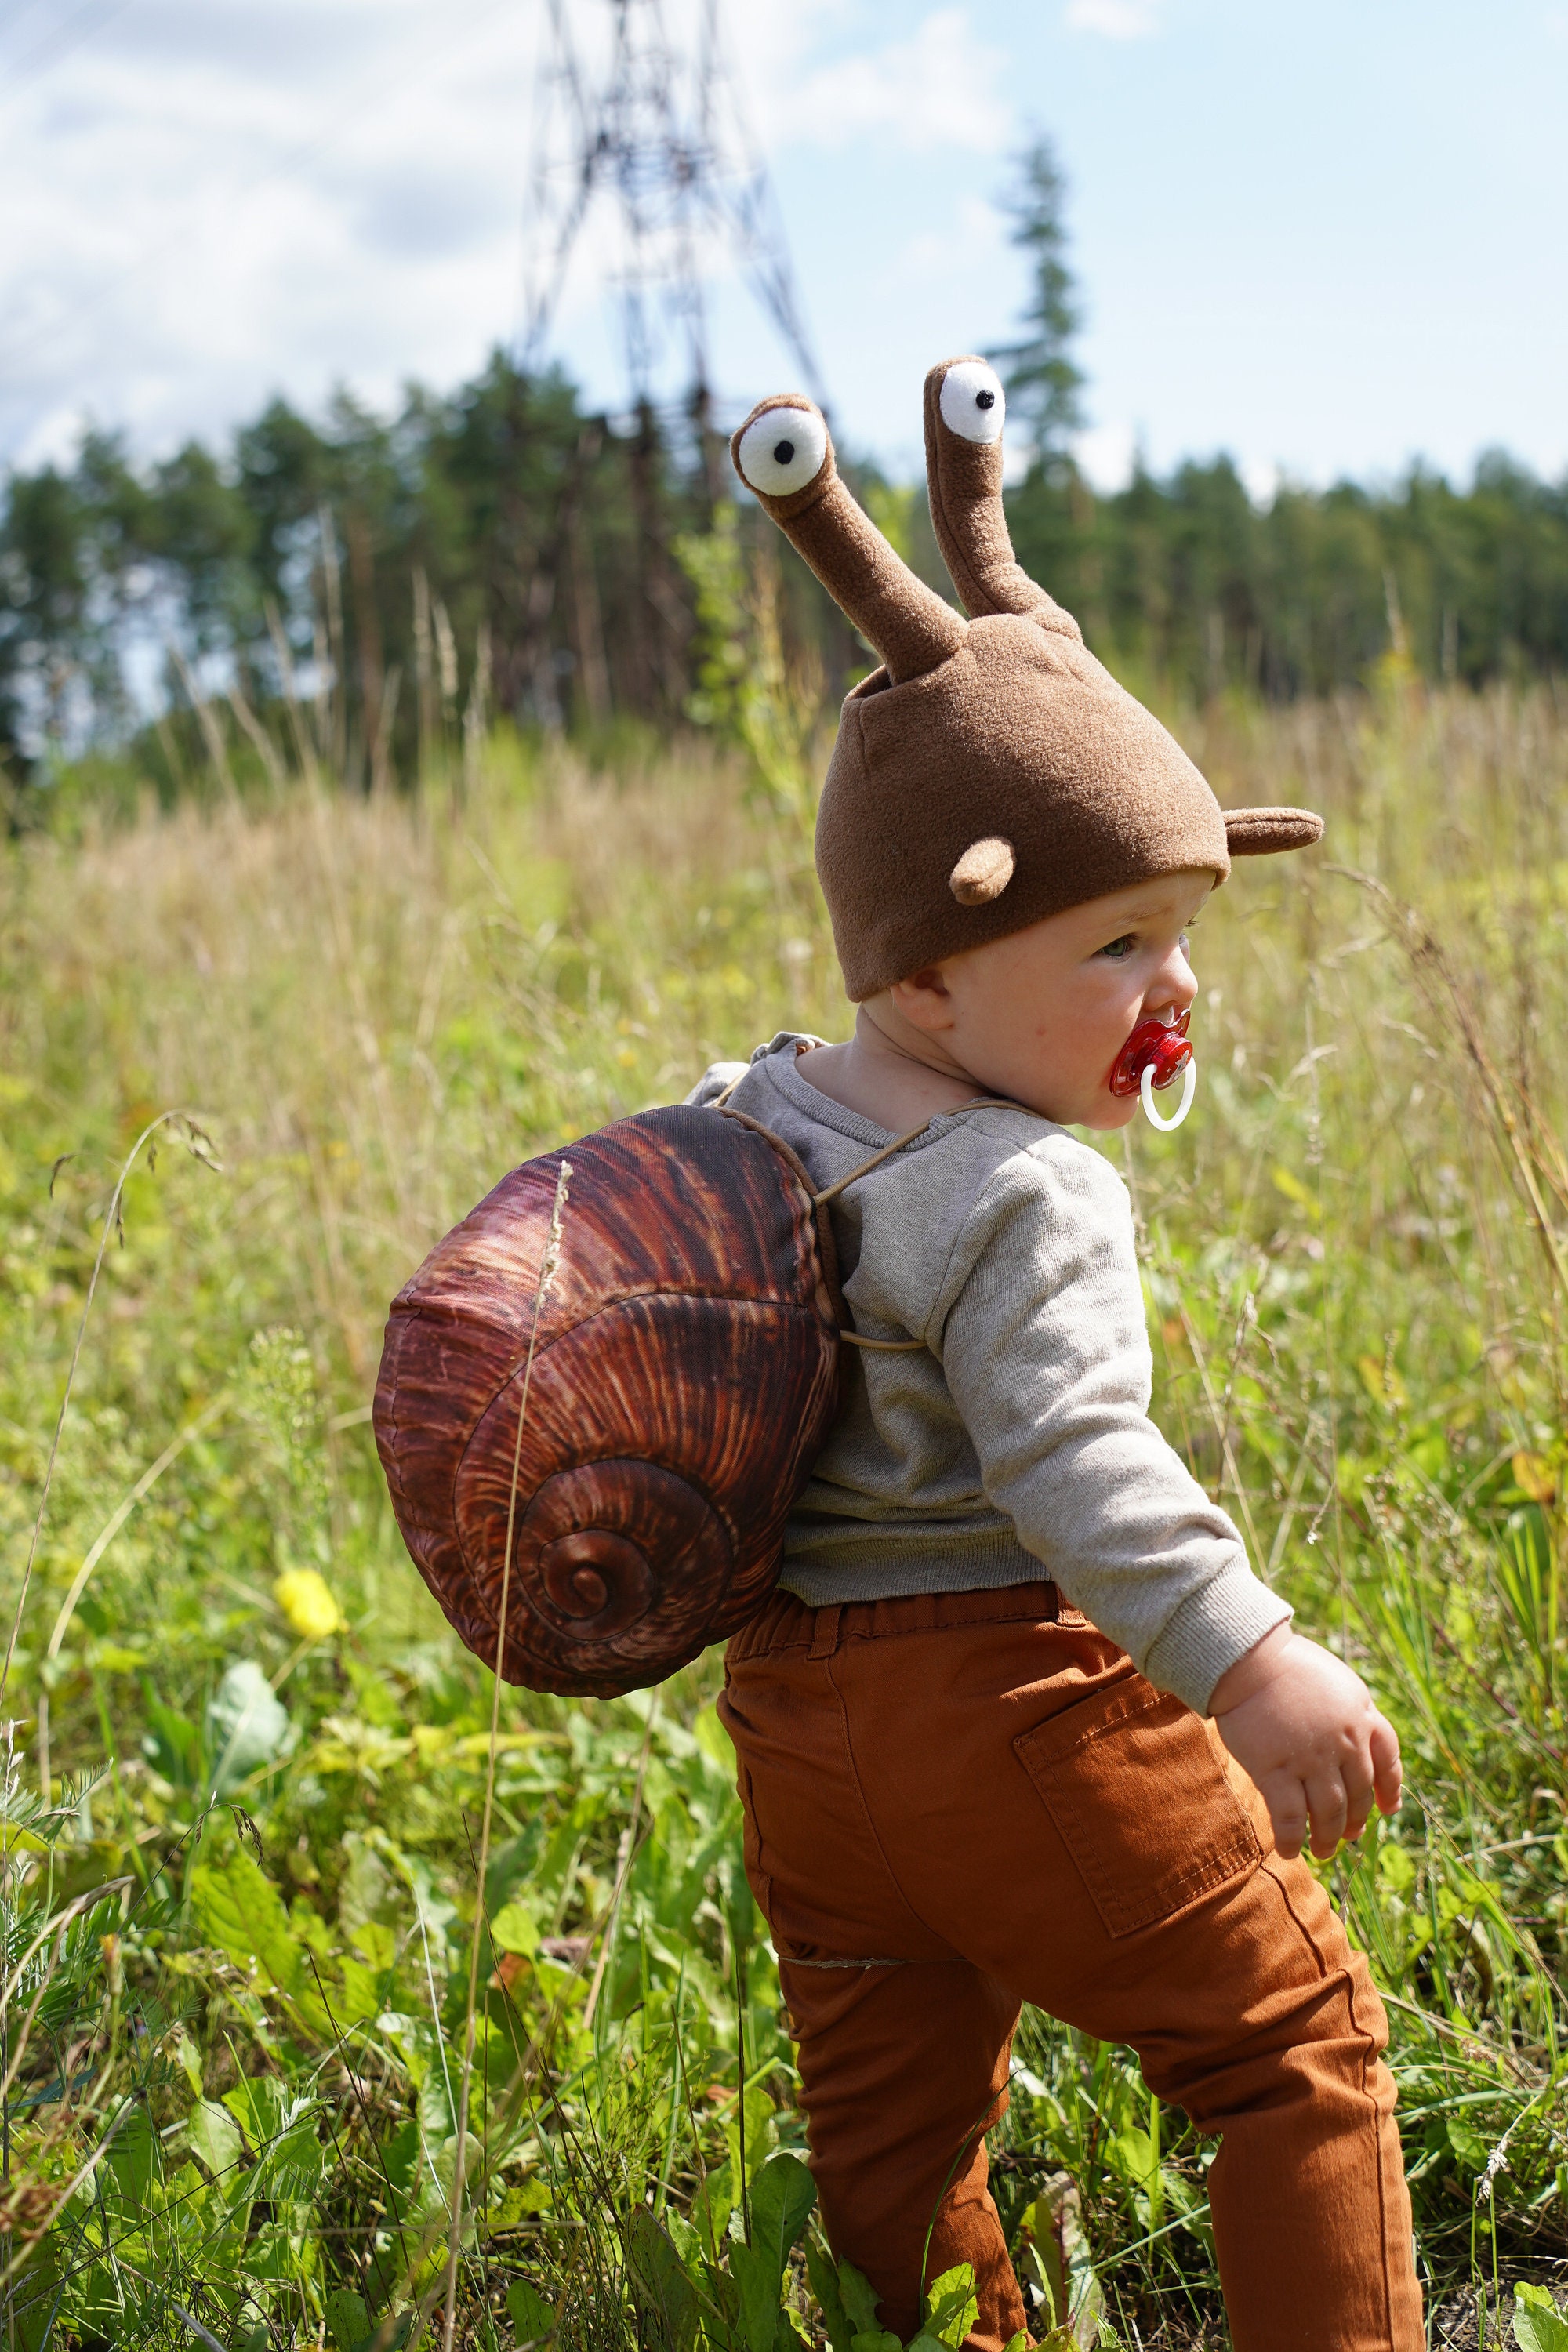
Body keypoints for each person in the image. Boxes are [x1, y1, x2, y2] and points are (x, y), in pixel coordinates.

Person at [691, 359, 1423, 2352]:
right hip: (1013, 1703)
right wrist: (1248, 1659)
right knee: (1290, 2042)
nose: (1170, 987)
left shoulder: (748, 1111)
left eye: (1182, 934)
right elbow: (1072, 1456)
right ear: (925, 965)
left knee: (892, 2112)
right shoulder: (1021, 1185)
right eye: (1111, 947)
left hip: (799, 1742)